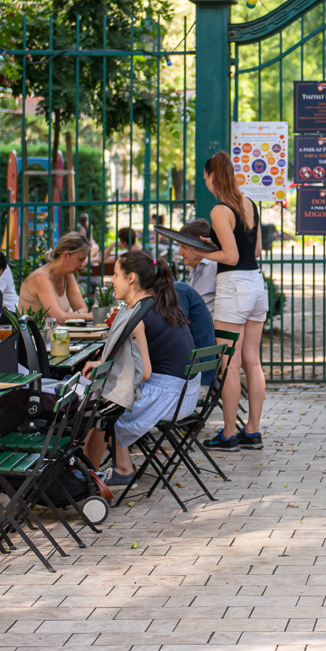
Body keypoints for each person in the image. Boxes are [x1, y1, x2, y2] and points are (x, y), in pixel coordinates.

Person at [84, 252, 199, 486]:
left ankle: (99, 474)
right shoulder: (159, 302)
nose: (112, 281)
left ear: (131, 278)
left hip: (168, 396)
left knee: (101, 405)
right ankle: (110, 469)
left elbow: (144, 372)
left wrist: (105, 366)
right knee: (107, 399)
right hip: (187, 392)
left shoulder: (138, 314)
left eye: (116, 274)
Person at [200, 151, 268, 452]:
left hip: (233, 285)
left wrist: (201, 252)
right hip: (256, 283)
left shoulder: (219, 210)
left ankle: (228, 434)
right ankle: (252, 431)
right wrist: (214, 244)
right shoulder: (249, 204)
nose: (206, 182)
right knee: (251, 360)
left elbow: (230, 257)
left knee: (229, 361)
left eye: (205, 177)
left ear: (212, 176)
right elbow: (256, 249)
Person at [179, 217, 220, 389]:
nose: (180, 253)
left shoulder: (212, 266)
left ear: (199, 246)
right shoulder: (196, 270)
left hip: (202, 339)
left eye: (184, 247)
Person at [18, 233, 93, 322]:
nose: (83, 264)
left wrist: (71, 316)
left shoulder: (67, 275)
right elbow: (59, 318)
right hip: (33, 335)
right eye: (80, 259)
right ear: (65, 256)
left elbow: (82, 308)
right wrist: (90, 316)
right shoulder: (41, 277)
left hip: (56, 334)